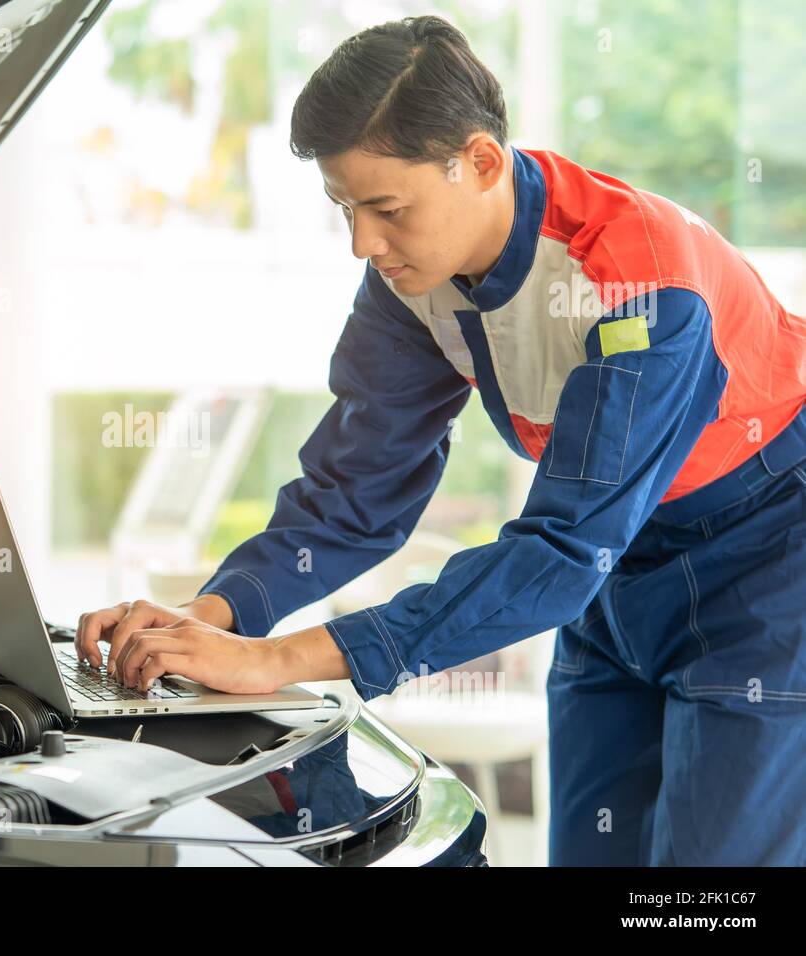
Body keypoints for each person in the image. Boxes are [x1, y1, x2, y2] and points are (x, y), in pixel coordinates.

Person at [74, 15, 806, 866]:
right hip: (614, 573)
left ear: (482, 161)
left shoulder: (639, 283)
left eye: (386, 208)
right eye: (344, 208)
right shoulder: (410, 280)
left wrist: (279, 660)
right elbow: (354, 494)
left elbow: (561, 551)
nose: (363, 242)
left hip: (767, 566)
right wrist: (206, 620)